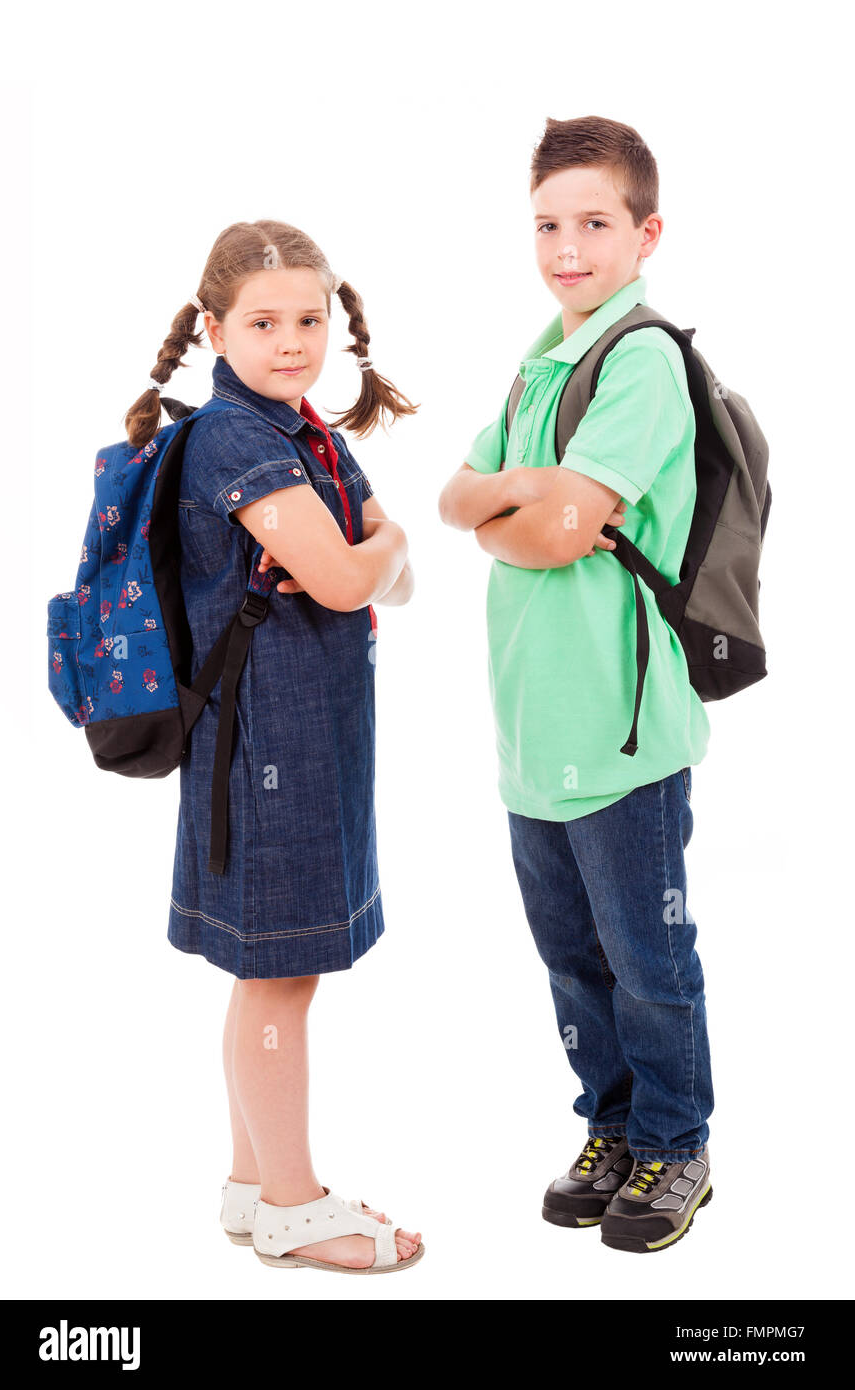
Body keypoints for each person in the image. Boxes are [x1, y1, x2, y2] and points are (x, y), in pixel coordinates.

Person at [124, 219, 424, 1274]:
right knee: (277, 973)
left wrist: (375, 550)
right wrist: (373, 554)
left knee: (267, 972)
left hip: (305, 731)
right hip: (265, 744)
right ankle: (296, 1206)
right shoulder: (237, 440)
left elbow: (393, 558)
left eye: (308, 319)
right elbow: (354, 579)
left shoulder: (306, 430)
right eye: (263, 322)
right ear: (215, 327)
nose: (291, 340)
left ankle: (253, 1185)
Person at [439, 117, 714, 1253]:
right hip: (528, 726)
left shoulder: (639, 356)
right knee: (570, 956)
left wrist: (522, 506)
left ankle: (675, 1140)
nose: (565, 247)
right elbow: (457, 496)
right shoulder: (539, 355)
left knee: (646, 959)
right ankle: (610, 1126)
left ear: (644, 234)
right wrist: (518, 502)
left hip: (617, 728)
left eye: (593, 223)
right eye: (547, 224)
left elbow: (555, 530)